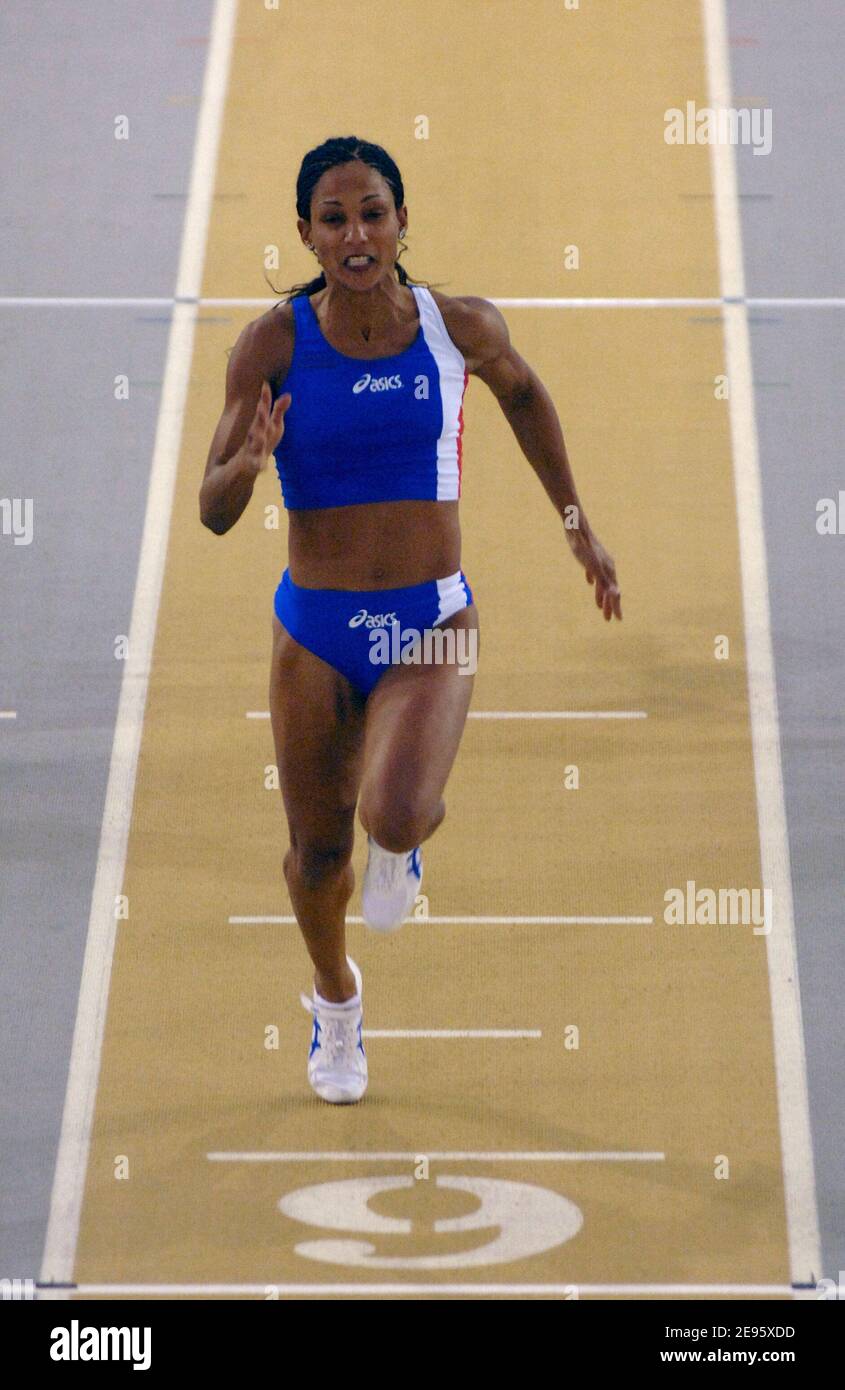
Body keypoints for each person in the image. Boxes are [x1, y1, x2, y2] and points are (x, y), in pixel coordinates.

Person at [199, 135, 621, 1105]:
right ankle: (335, 1005)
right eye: (333, 218)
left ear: (400, 221)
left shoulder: (456, 326)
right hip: (312, 630)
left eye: (372, 213)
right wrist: (247, 464)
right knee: (316, 853)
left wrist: (575, 526)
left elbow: (523, 395)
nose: (355, 234)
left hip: (430, 620)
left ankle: (404, 836)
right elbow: (212, 510)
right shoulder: (270, 344)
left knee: (389, 814)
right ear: (304, 233)